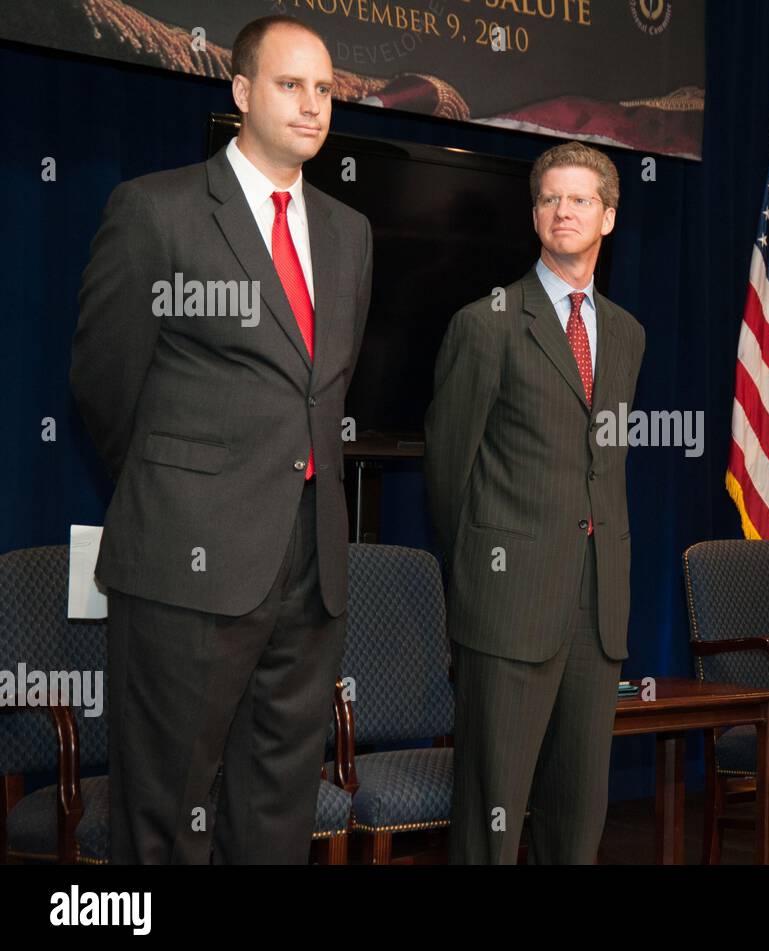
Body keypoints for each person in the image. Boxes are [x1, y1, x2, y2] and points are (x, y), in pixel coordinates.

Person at [70, 14, 372, 863]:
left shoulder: (351, 235)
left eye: (324, 89)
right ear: (241, 92)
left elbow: (322, 391)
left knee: (276, 810)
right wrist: (184, 493)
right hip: (185, 560)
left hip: (311, 565)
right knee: (162, 812)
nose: (313, 106)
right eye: (289, 85)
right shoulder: (156, 210)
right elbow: (105, 384)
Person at [424, 141, 645, 864]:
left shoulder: (627, 334)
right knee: (490, 826)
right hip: (507, 607)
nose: (563, 211)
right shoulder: (485, 322)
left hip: (597, 607)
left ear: (608, 217)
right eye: (550, 198)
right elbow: (450, 474)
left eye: (580, 199)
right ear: (533, 214)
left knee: (576, 823)